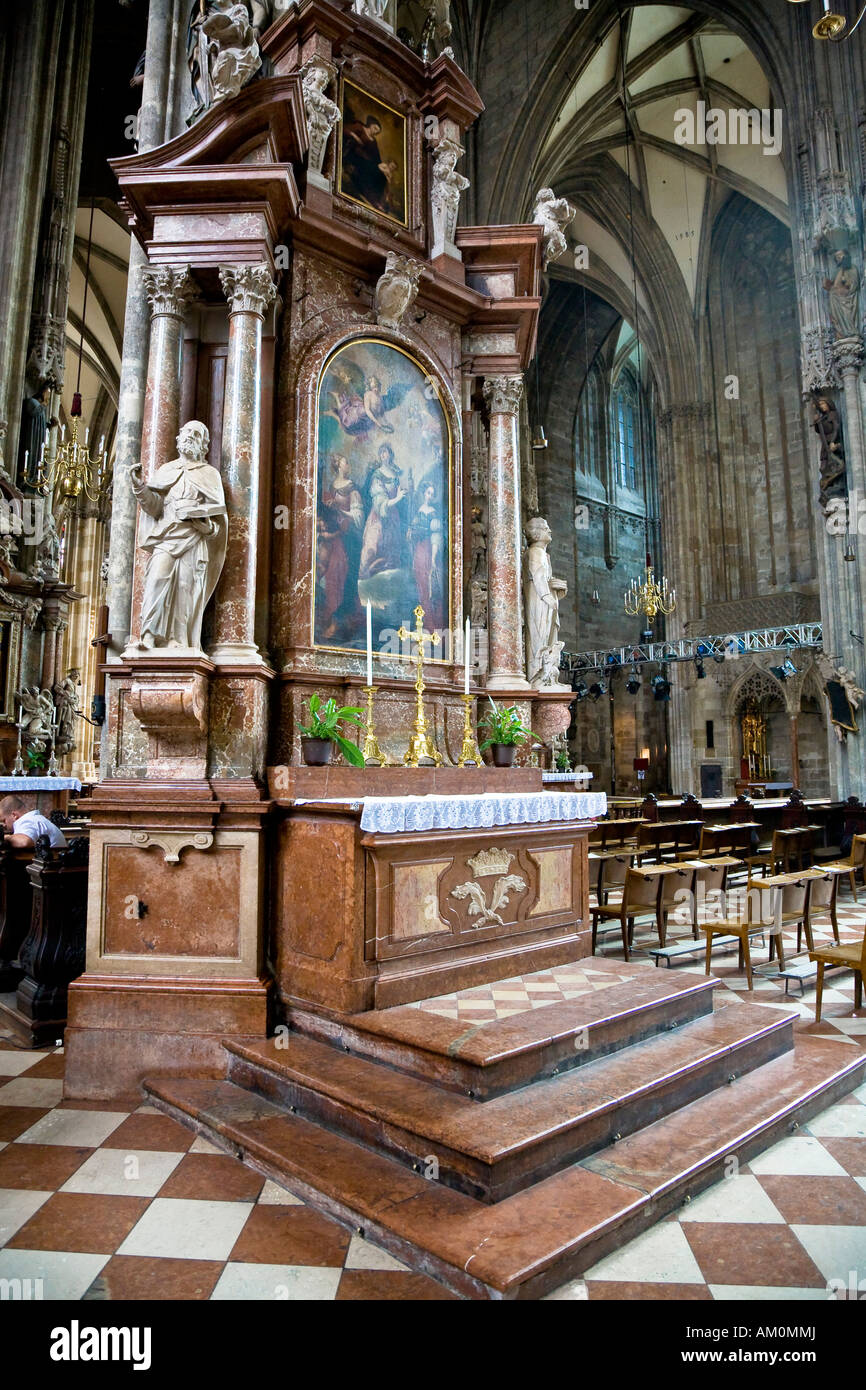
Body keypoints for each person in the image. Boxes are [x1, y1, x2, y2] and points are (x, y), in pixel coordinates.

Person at [127, 420, 228, 653]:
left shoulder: (209, 474)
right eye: (187, 432)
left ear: (204, 445)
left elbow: (218, 521)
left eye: (196, 434)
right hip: (167, 536)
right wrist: (140, 487)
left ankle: (177, 640)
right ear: (178, 438)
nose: (190, 436)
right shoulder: (166, 471)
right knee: (156, 580)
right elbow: (154, 508)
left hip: (193, 539)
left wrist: (206, 528)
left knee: (186, 590)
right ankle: (149, 636)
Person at [408, 482, 445, 630]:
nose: (429, 496)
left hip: (427, 549)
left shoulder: (433, 513)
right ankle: (421, 621)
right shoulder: (418, 509)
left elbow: (436, 537)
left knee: (426, 584)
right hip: (418, 549)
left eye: (432, 494)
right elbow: (412, 530)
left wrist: (433, 558)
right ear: (424, 493)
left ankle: (430, 625)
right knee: (419, 583)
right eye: (428, 492)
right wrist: (410, 533)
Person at [0, 795, 67, 850]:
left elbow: (24, 842)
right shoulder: (35, 818)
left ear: (14, 815)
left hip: (52, 864)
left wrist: (5, 837)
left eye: (4, 820)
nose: (4, 825)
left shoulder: (27, 821)